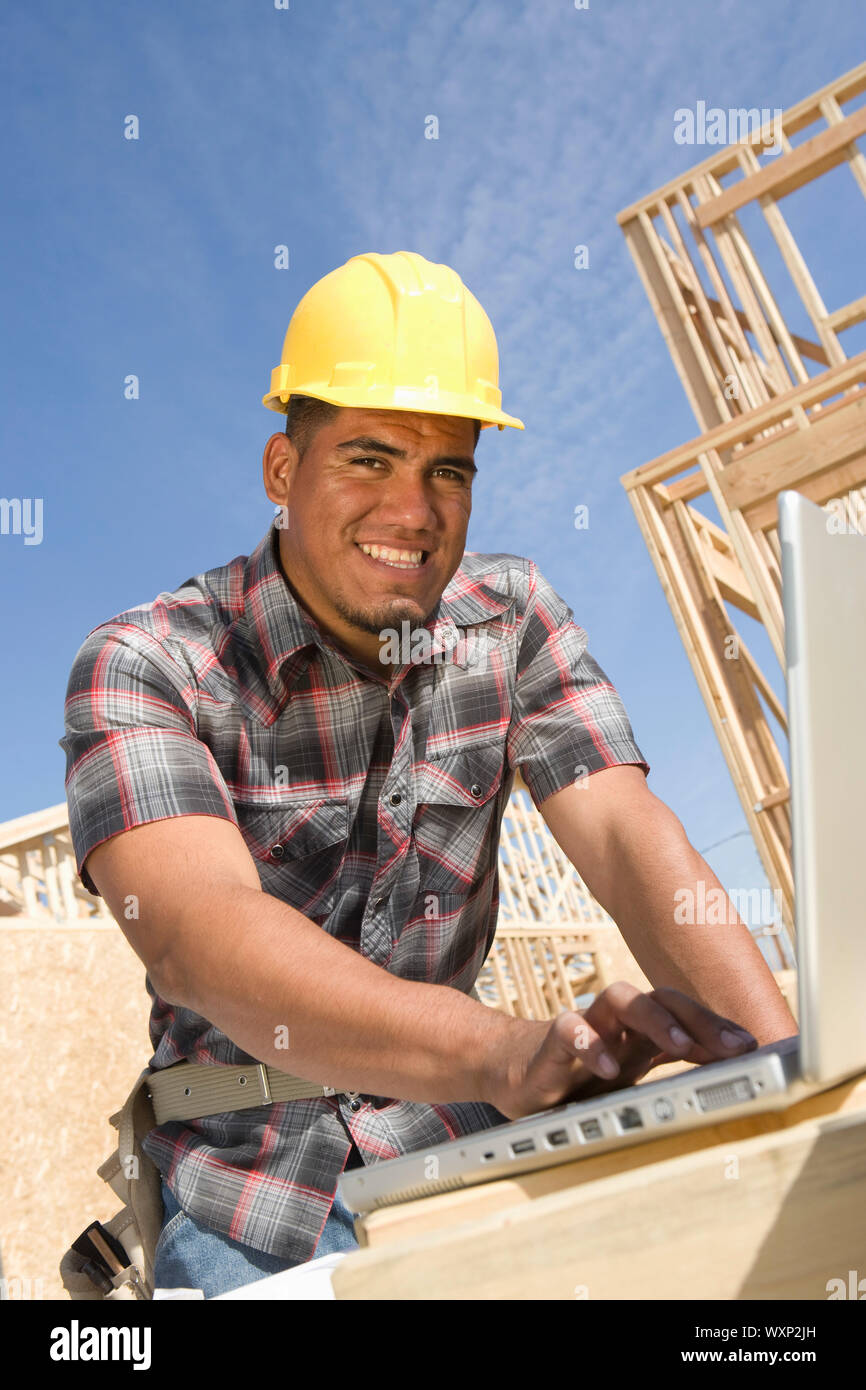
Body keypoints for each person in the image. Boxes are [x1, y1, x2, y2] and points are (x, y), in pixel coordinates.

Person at [60, 250, 797, 1298]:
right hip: (248, 1184)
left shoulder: (512, 620)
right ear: (282, 472)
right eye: (368, 458)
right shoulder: (149, 663)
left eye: (446, 468)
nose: (412, 508)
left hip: (458, 1142)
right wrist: (494, 1050)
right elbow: (197, 934)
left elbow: (629, 840)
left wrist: (784, 1083)